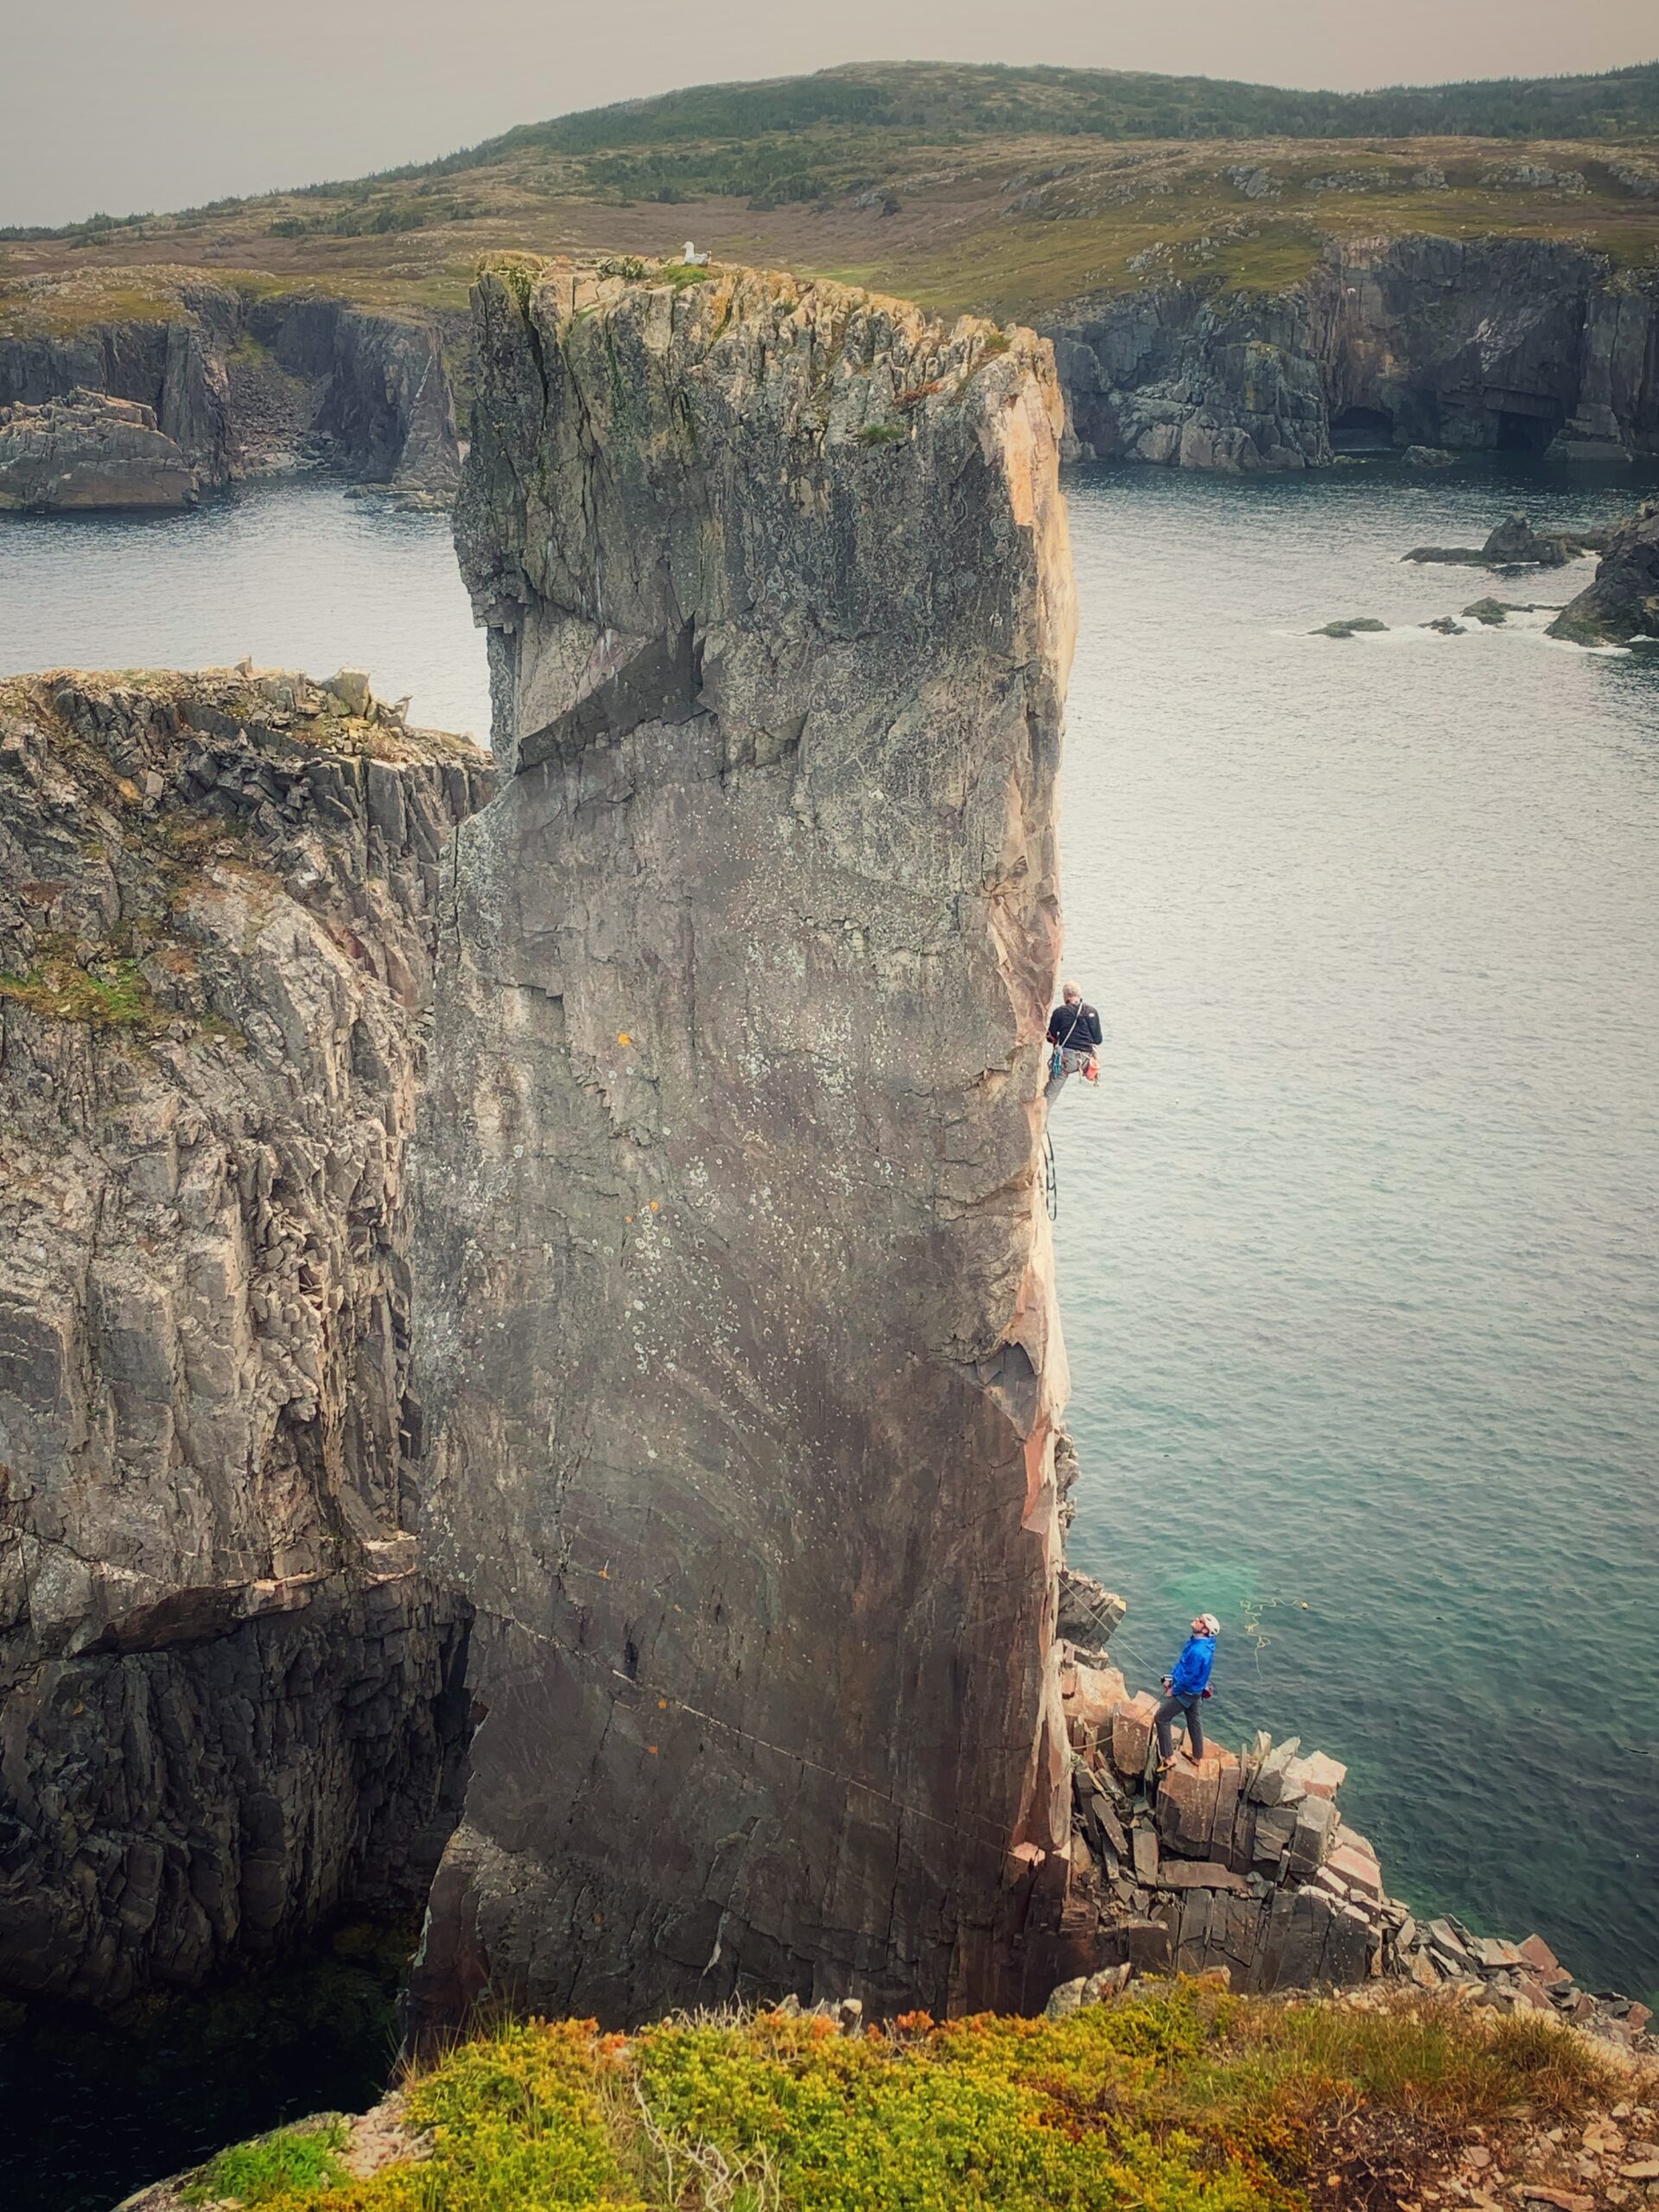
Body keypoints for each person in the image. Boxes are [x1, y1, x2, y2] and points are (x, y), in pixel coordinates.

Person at [1154, 1612, 1220, 1771]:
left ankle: (1169, 1757)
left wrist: (1174, 1690)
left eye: (1200, 1621)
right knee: (1194, 1720)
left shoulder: (1198, 1651)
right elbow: (1184, 1667)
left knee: (1161, 1718)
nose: (1196, 1620)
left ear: (1205, 1630)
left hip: (1188, 1693)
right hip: (1196, 1690)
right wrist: (1171, 1678)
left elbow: (1189, 1676)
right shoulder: (1199, 1644)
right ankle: (1198, 1756)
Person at [1044, 982, 1103, 1104]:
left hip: (1067, 1060)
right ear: (1079, 995)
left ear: (1065, 997)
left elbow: (1051, 1038)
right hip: (1087, 1060)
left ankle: (1040, 1120)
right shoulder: (1091, 1011)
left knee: (1049, 1096)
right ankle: (1091, 1074)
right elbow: (1098, 1040)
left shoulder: (1060, 1012)